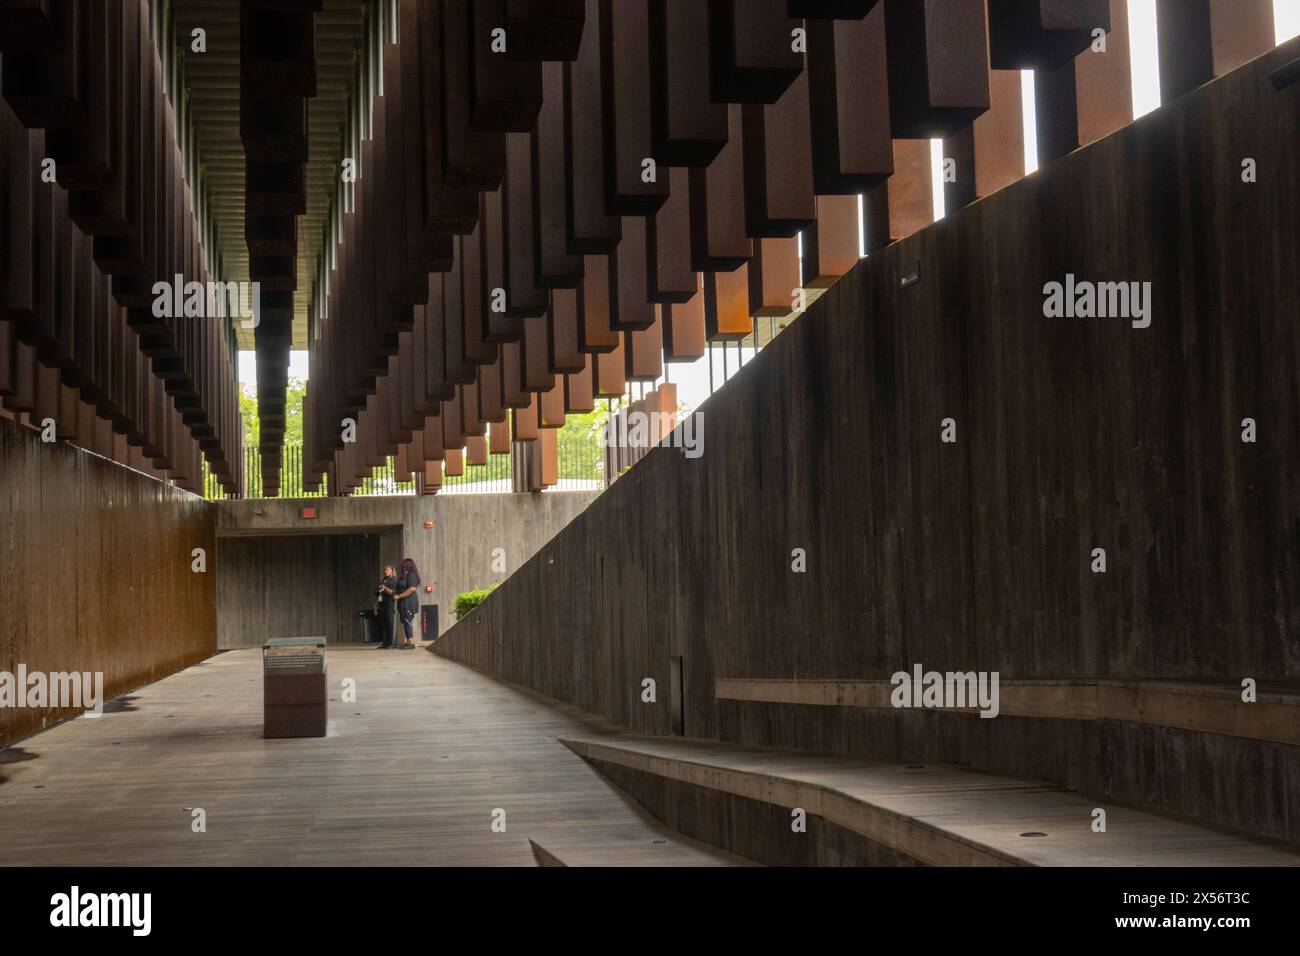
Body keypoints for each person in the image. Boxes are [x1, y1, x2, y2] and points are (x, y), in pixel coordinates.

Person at [391, 558, 422, 649]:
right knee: (404, 621)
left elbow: (412, 589)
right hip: (402, 602)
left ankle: (411, 643)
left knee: (408, 620)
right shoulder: (404, 575)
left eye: (404, 565)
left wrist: (399, 596)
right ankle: (407, 641)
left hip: (408, 602)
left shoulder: (411, 575)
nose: (402, 567)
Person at [374, 565, 399, 649]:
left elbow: (393, 593)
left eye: (388, 570)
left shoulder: (395, 580)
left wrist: (385, 588)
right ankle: (385, 643)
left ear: (392, 571)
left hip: (390, 604)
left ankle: (391, 643)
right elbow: (377, 594)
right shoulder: (383, 580)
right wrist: (376, 605)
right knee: (383, 624)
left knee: (390, 624)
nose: (386, 571)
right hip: (382, 604)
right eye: (385, 570)